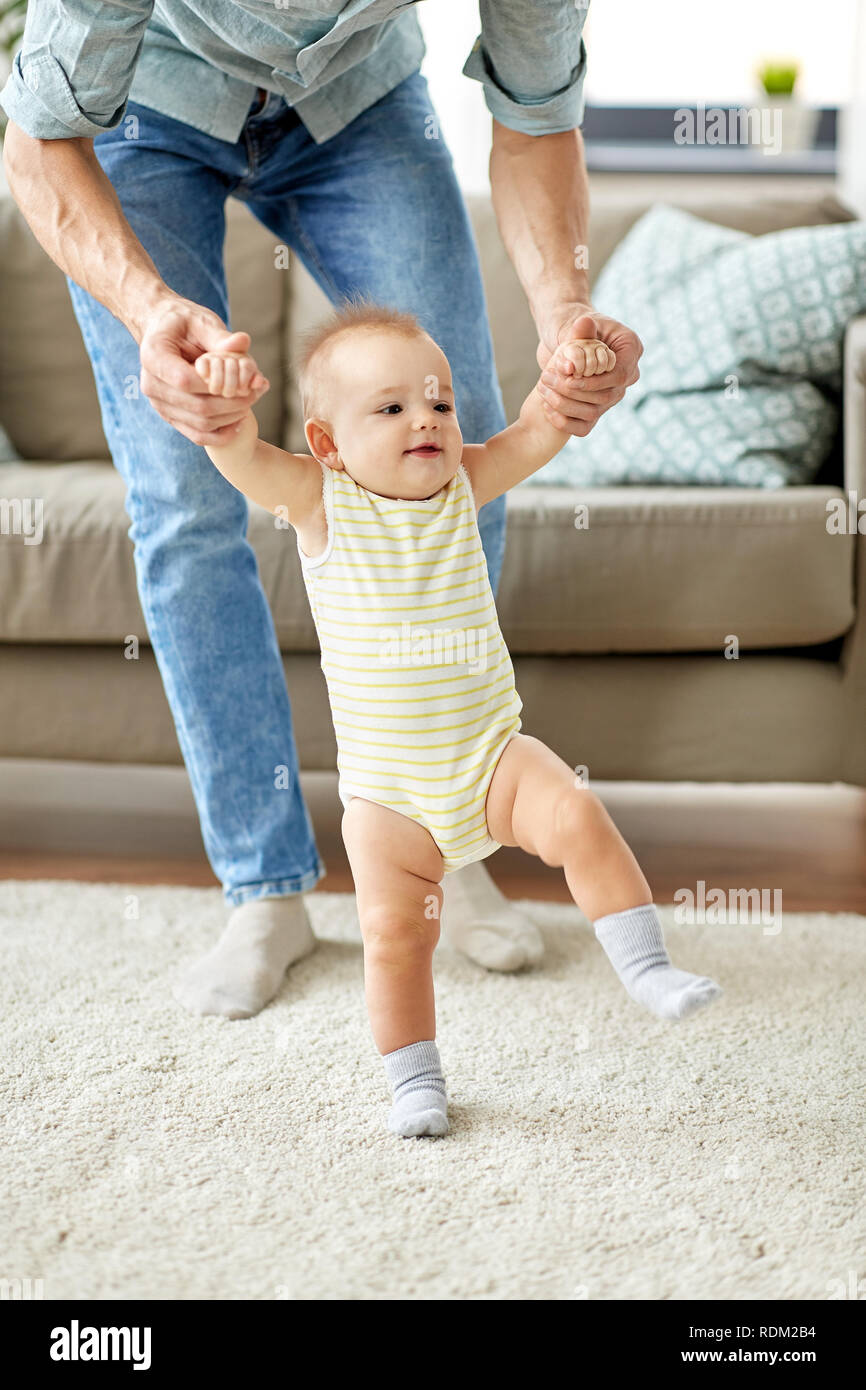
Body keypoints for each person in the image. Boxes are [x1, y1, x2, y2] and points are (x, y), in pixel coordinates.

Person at [1, 2, 643, 1019]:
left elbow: (536, 116)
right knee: (183, 491)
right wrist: (148, 307)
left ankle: (448, 833)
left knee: (447, 450)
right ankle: (266, 890)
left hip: (361, 100)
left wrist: (564, 314)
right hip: (146, 101)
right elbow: (39, 136)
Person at [193, 302, 722, 1137]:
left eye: (440, 401)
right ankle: (415, 1083)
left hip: (491, 760)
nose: (427, 420)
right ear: (329, 443)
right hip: (389, 800)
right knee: (395, 941)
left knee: (578, 812)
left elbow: (540, 430)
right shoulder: (320, 500)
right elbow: (243, 459)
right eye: (393, 407)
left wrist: (569, 375)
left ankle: (648, 968)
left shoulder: (463, 483)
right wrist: (223, 412)